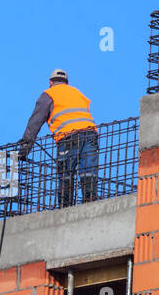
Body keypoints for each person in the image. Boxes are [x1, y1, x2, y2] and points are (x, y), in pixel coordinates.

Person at [18, 69, 99, 208]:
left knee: (66, 175)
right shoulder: (77, 92)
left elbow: (34, 123)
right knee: (88, 172)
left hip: (68, 137)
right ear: (66, 82)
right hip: (91, 134)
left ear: (50, 82)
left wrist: (24, 150)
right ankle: (90, 203)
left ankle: (64, 208)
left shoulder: (48, 95)